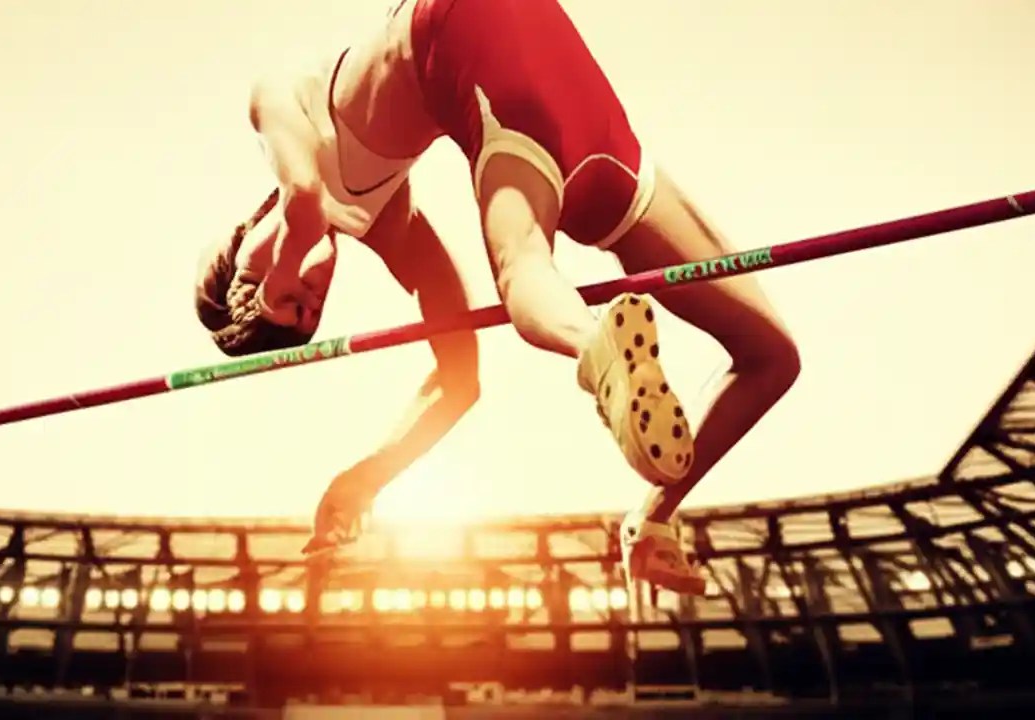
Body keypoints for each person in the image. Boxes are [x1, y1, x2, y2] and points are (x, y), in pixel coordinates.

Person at [195, 0, 800, 594]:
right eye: (307, 315)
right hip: (561, 126)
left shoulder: (278, 101)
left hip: (478, 37)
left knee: (763, 354)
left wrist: (275, 270)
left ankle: (609, 381)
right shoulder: (388, 221)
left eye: (263, 296)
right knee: (535, 270)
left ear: (241, 246)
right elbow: (457, 377)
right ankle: (640, 470)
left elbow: (301, 200)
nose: (305, 295)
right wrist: (367, 478)